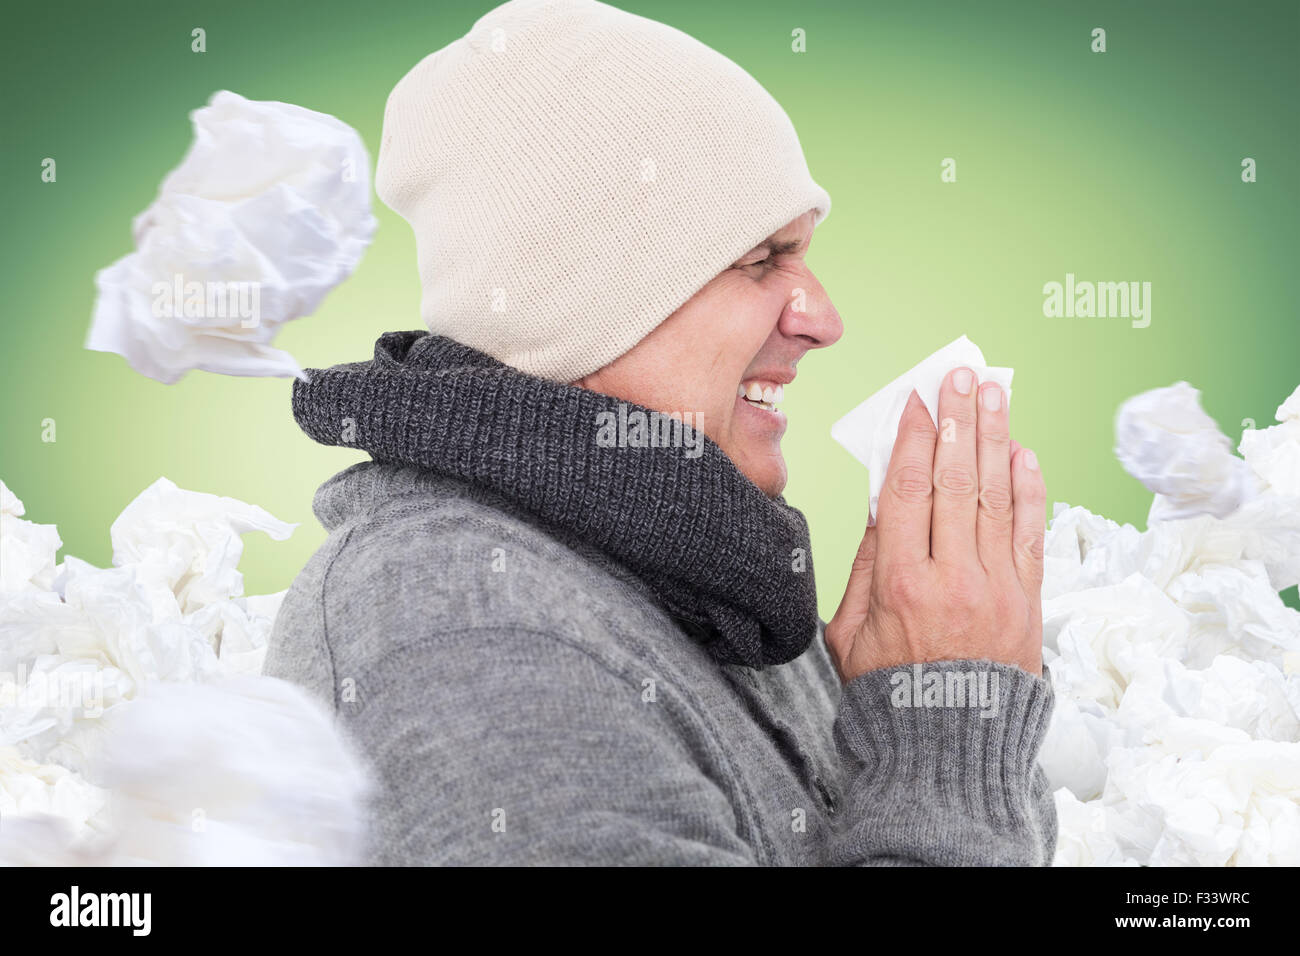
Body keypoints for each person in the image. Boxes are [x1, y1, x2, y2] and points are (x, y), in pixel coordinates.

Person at [266, 0, 1056, 865]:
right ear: (581, 299)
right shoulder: (474, 644)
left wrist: (892, 723)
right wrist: (942, 746)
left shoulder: (693, 563)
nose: (823, 318)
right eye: (762, 259)